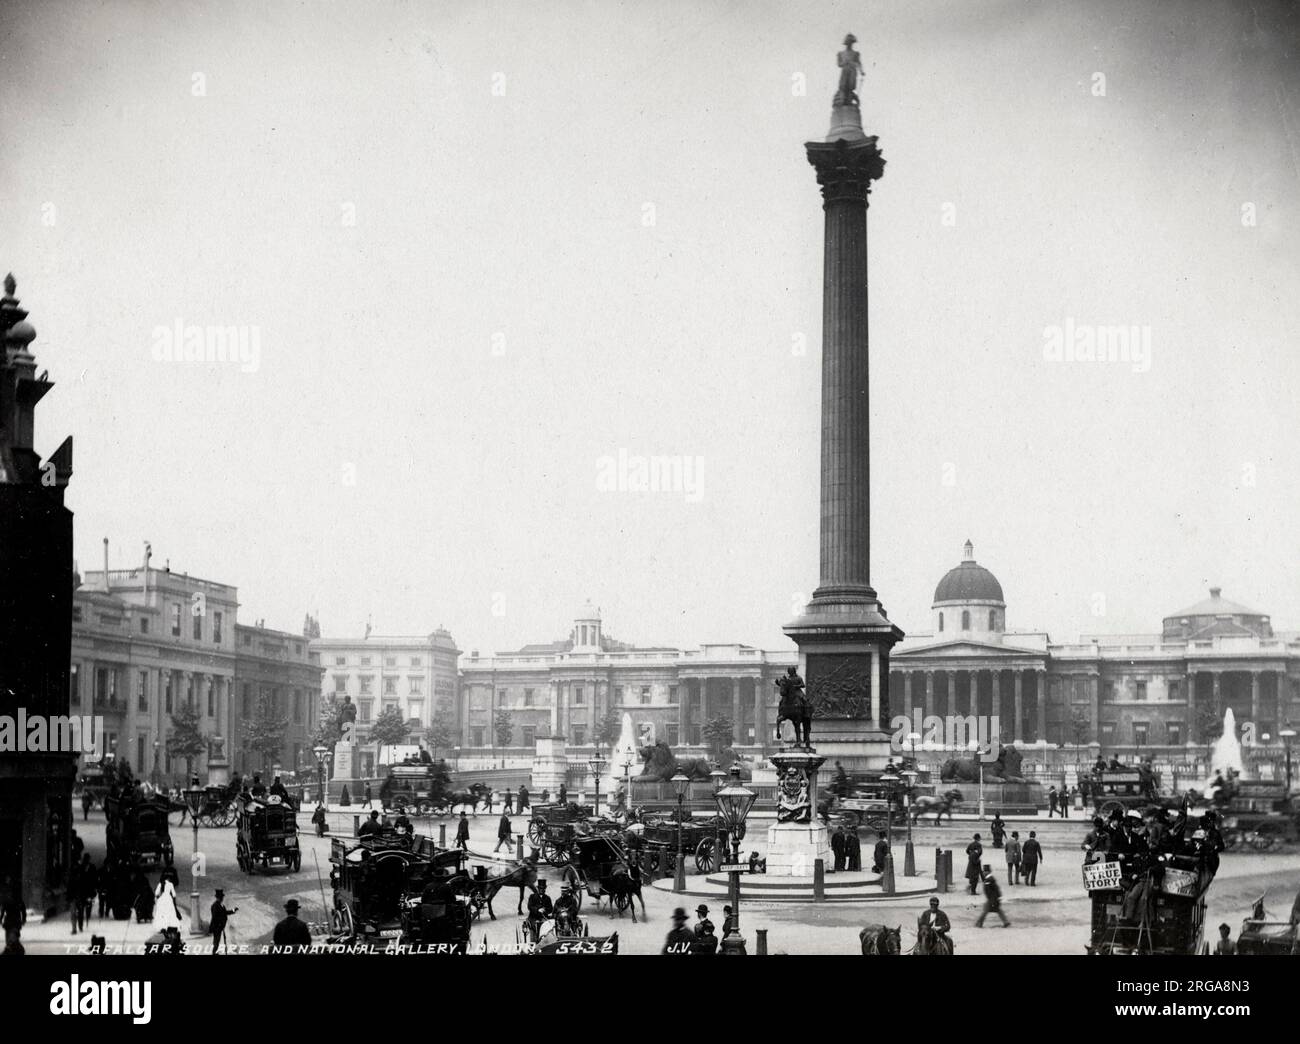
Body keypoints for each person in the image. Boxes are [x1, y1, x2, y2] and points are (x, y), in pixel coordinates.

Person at [152, 868, 183, 933]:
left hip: (162, 900)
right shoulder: (170, 884)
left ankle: (162, 926)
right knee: (170, 913)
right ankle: (169, 925)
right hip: (168, 899)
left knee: (162, 913)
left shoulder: (160, 884)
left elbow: (156, 893)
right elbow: (174, 894)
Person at [1, 881, 26, 955]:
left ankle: (10, 949)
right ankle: (12, 949)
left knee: (10, 937)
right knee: (13, 936)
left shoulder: (8, 900)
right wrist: (23, 919)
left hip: (10, 921)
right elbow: (23, 911)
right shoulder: (18, 900)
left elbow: (3, 911)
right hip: (15, 921)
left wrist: (1, 919)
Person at [209, 889, 237, 954]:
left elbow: (225, 912)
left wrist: (233, 910)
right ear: (218, 898)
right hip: (216, 927)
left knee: (217, 942)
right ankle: (214, 953)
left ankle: (215, 953)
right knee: (216, 943)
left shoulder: (221, 905)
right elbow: (215, 917)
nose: (222, 898)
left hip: (220, 927)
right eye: (221, 897)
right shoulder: (215, 906)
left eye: (222, 897)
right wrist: (220, 924)